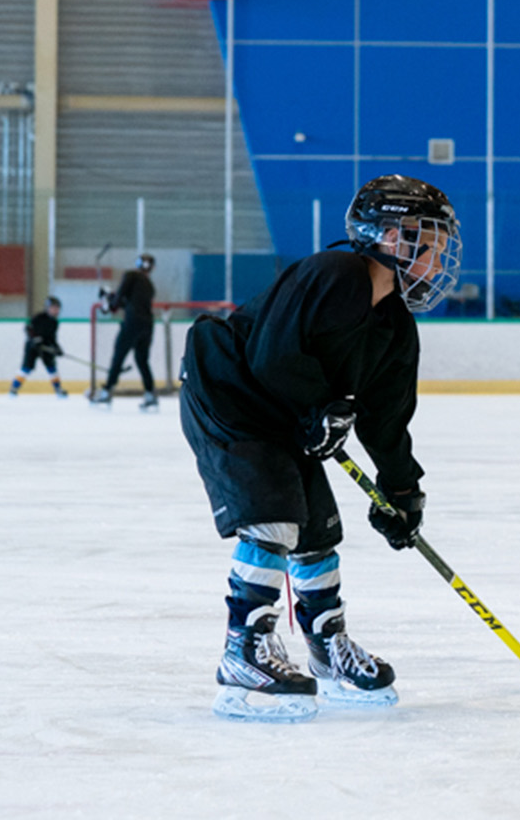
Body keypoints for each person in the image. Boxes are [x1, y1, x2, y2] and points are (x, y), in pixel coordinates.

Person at [180, 174, 461, 722]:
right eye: (428, 243)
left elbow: (387, 419)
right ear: (387, 237)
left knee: (316, 530)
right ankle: (244, 652)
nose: (438, 259)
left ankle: (327, 648)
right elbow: (272, 356)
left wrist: (402, 489)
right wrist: (322, 407)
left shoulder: (396, 326)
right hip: (231, 393)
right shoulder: (337, 274)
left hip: (286, 410)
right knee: (274, 518)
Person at [92, 253, 157, 411]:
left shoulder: (130, 275)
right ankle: (150, 394)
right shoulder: (149, 285)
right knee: (142, 360)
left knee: (119, 355)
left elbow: (122, 296)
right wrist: (111, 298)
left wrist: (110, 303)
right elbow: (130, 300)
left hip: (132, 323)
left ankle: (107, 391)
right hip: (147, 325)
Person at [10, 296, 68, 398]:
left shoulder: (54, 322)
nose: (56, 310)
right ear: (47, 308)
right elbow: (28, 328)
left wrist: (58, 349)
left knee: (51, 367)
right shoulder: (38, 317)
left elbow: (52, 338)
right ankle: (14, 388)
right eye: (53, 308)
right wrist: (34, 339)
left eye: (57, 308)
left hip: (45, 346)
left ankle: (58, 389)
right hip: (32, 347)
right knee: (27, 368)